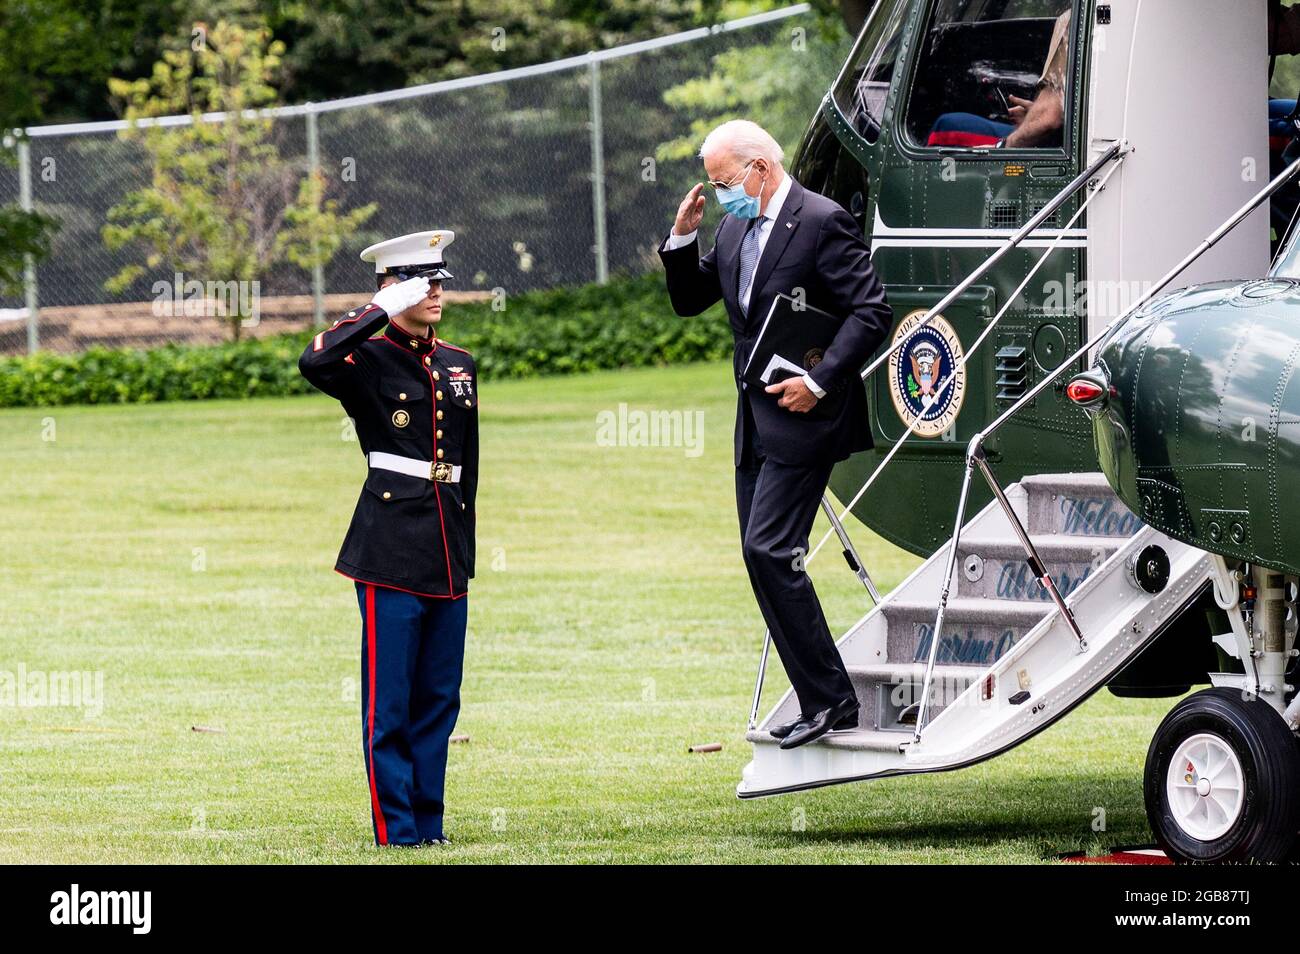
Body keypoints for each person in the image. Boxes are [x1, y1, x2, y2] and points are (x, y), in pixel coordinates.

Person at [659, 120, 892, 750]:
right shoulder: (735, 223)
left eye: (724, 180)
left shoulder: (821, 221)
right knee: (761, 559)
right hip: (753, 423)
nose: (720, 193)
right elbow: (693, 299)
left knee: (769, 551)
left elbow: (872, 311)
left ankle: (833, 701)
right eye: (712, 182)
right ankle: (822, 699)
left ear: (761, 166)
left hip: (807, 417)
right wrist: (683, 239)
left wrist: (818, 382)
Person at [298, 230, 479, 847]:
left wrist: (467, 546)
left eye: (438, 281)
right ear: (392, 287)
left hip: (446, 549)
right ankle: (397, 830)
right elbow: (313, 360)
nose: (435, 293)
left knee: (439, 700)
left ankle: (430, 827)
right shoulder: (366, 360)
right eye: (420, 283)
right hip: (388, 547)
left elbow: (467, 466)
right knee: (390, 702)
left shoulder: (460, 364)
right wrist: (376, 310)